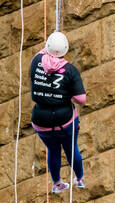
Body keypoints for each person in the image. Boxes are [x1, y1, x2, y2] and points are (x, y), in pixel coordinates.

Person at [30, 31, 87, 194]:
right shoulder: (70, 70)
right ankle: (80, 179)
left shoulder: (36, 62)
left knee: (53, 150)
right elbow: (81, 99)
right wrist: (66, 93)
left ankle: (56, 183)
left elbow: (41, 52)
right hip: (64, 120)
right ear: (65, 49)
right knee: (71, 149)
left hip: (41, 120)